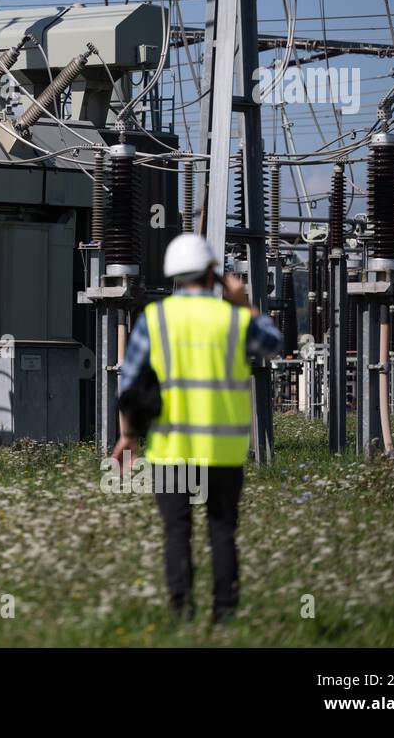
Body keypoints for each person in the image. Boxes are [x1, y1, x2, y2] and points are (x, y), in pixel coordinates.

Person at [111, 233, 283, 623]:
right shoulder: (234, 320)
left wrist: (127, 436)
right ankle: (223, 616)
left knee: (177, 533)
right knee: (222, 532)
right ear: (213, 274)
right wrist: (245, 305)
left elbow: (130, 384)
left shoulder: (155, 319)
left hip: (171, 453)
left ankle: (181, 613)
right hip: (223, 453)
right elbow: (274, 345)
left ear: (174, 275)